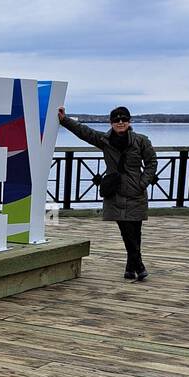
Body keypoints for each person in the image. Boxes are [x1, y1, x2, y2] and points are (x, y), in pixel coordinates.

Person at [57, 104, 158, 281]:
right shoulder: (105, 140)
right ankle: (139, 265)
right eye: (116, 120)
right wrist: (65, 120)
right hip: (115, 192)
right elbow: (84, 132)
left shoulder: (141, 141)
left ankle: (130, 267)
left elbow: (152, 162)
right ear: (111, 123)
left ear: (129, 121)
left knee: (135, 230)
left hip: (136, 192)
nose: (120, 122)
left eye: (124, 119)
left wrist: (143, 183)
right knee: (125, 229)